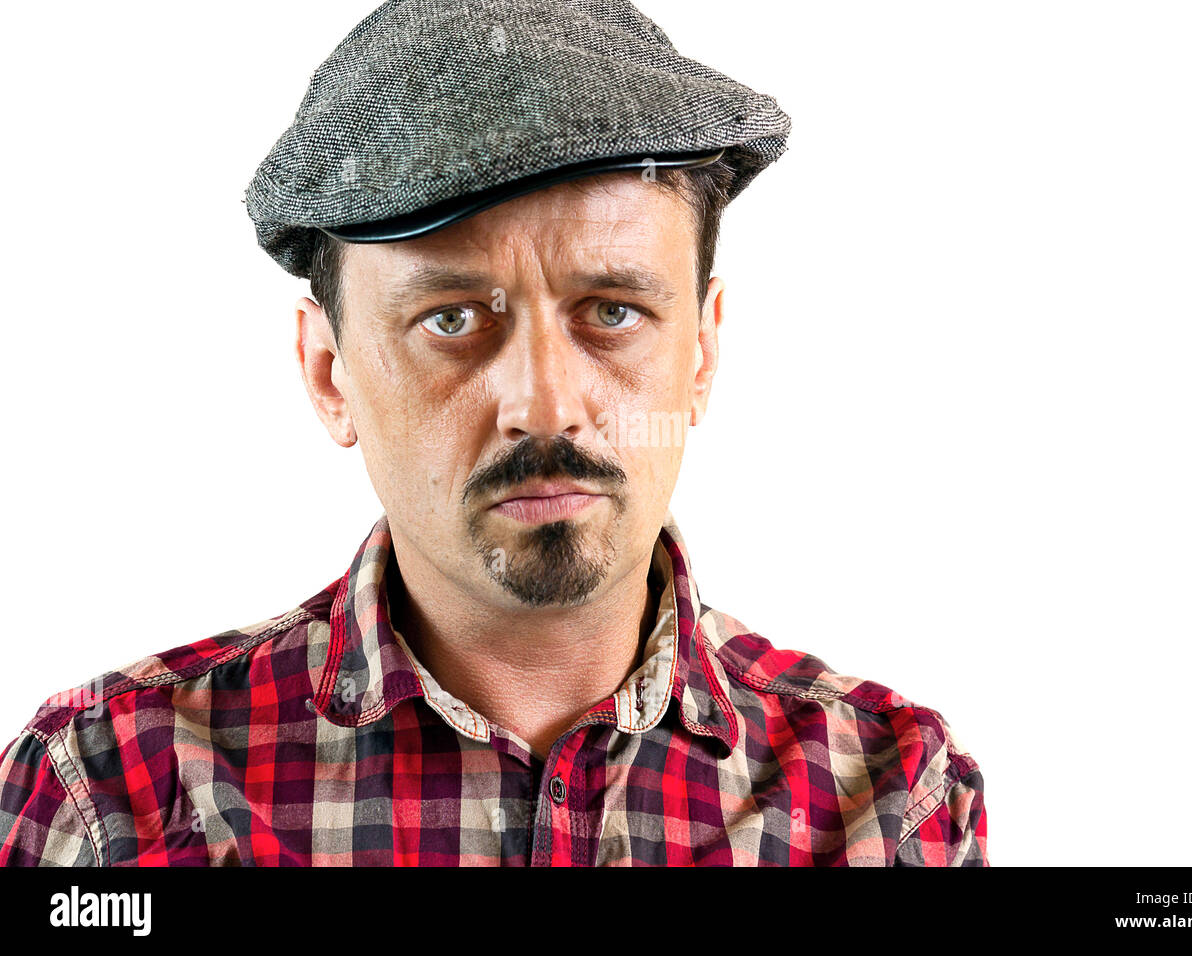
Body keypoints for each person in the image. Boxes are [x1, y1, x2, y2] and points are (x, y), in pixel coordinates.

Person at [0, 0, 986, 866]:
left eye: (611, 311)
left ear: (699, 353)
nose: (545, 403)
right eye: (451, 320)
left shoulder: (889, 798)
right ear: (327, 371)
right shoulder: (112, 797)